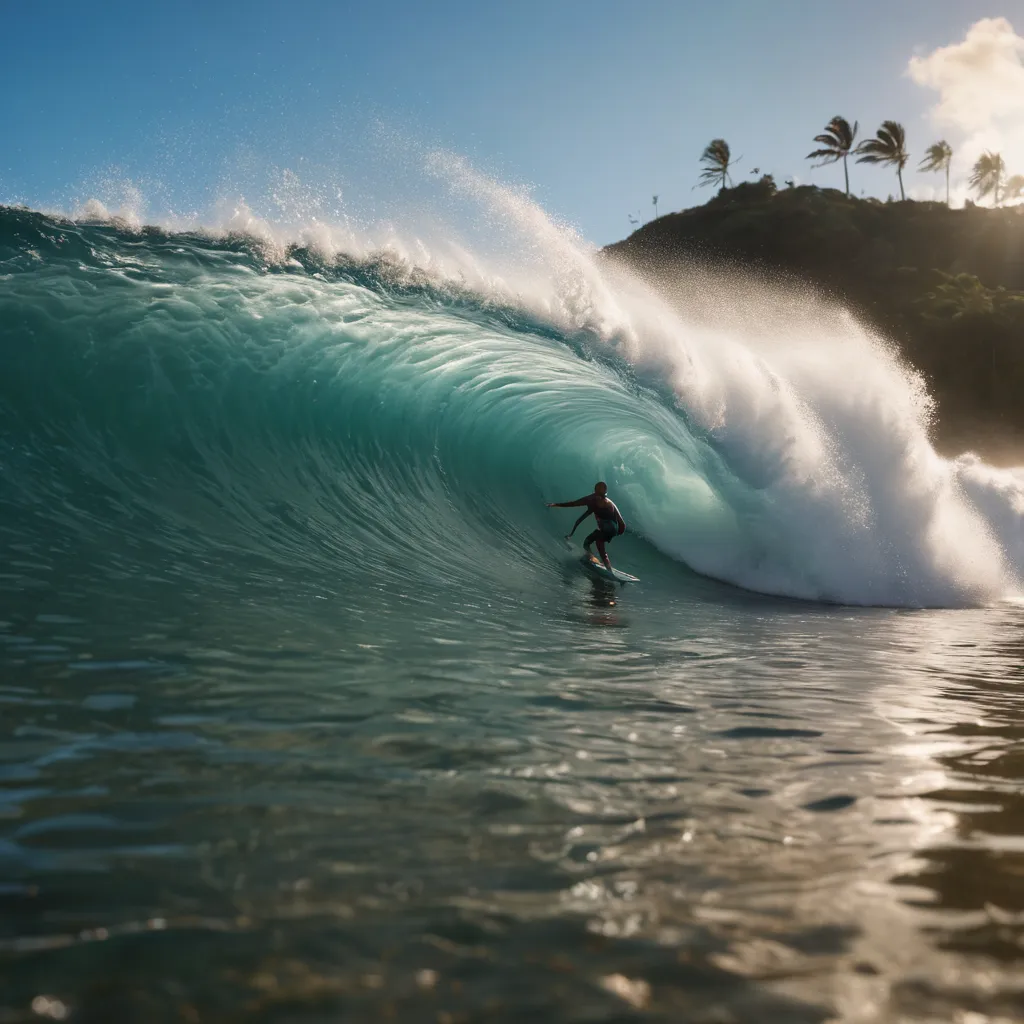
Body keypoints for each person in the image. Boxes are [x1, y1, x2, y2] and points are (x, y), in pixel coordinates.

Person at [546, 482, 625, 570]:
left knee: (598, 545)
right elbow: (574, 505)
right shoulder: (595, 500)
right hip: (608, 529)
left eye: (601, 496)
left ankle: (607, 568)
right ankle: (593, 559)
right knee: (588, 543)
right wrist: (556, 504)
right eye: (598, 495)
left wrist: (617, 532)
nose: (600, 499)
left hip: (609, 529)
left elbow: (621, 523)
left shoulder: (604, 502)